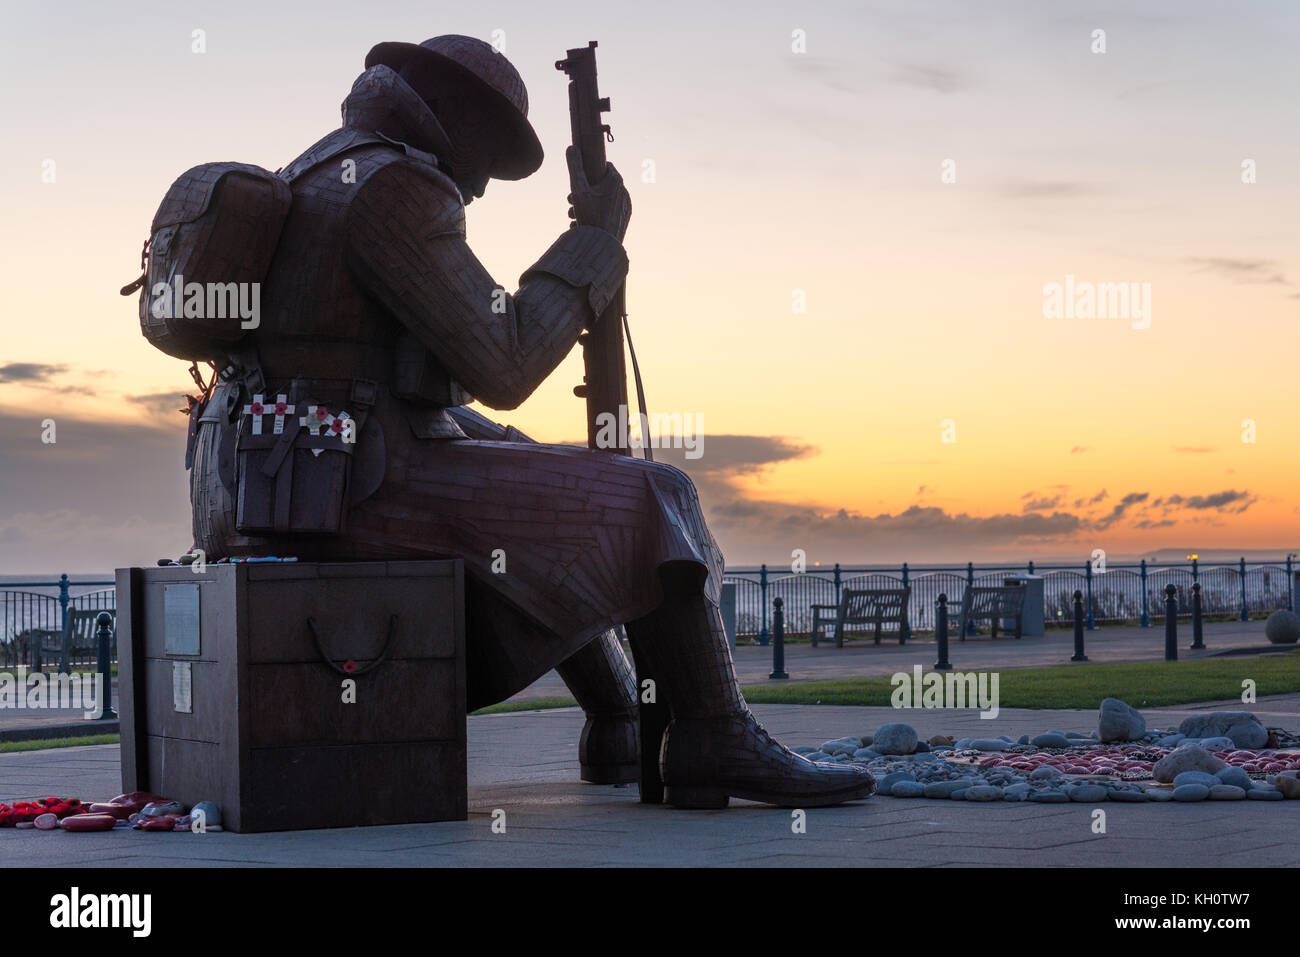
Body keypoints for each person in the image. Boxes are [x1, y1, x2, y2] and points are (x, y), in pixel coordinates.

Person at [183, 35, 874, 808]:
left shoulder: (314, 169)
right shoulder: (394, 187)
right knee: (656, 496)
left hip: (265, 478)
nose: (478, 185)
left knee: (543, 475)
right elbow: (504, 362)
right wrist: (595, 241)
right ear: (450, 114)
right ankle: (713, 731)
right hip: (349, 489)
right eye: (488, 152)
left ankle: (617, 716)